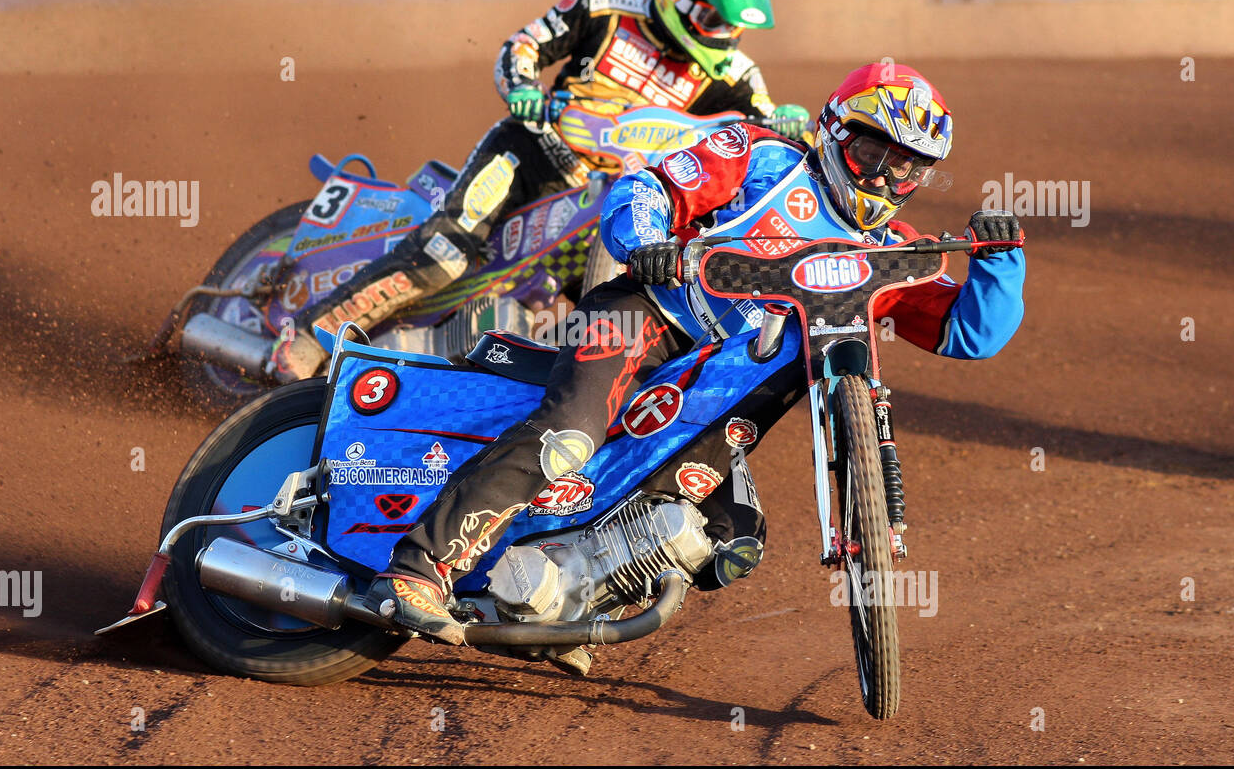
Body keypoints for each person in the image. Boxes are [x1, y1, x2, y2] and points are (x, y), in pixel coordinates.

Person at [366, 62, 1026, 648]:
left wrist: (1002, 261)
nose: (884, 173)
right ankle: (415, 572)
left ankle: (560, 600)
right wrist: (645, 240)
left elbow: (973, 333)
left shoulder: (890, 254)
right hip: (647, 319)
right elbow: (645, 187)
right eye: (869, 150)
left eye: (906, 164)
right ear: (830, 130)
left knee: (729, 541)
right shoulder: (762, 156)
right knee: (569, 437)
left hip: (717, 384)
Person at [269, 0, 813, 381]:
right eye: (715, 20)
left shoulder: (735, 74)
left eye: (736, 25)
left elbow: (755, 134)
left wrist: (788, 127)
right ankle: (308, 341)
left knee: (640, 297)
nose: (727, 35)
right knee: (445, 254)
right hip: (536, 153)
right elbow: (521, 48)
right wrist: (523, 86)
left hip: (627, 195)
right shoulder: (601, 6)